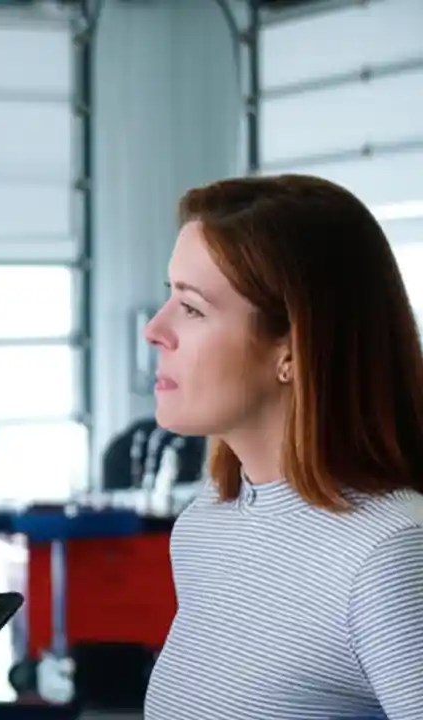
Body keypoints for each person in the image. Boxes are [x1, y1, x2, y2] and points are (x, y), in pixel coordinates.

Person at [141, 174, 423, 719]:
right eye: (169, 295)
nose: (155, 329)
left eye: (192, 308)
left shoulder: (390, 556)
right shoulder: (205, 525)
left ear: (291, 347)